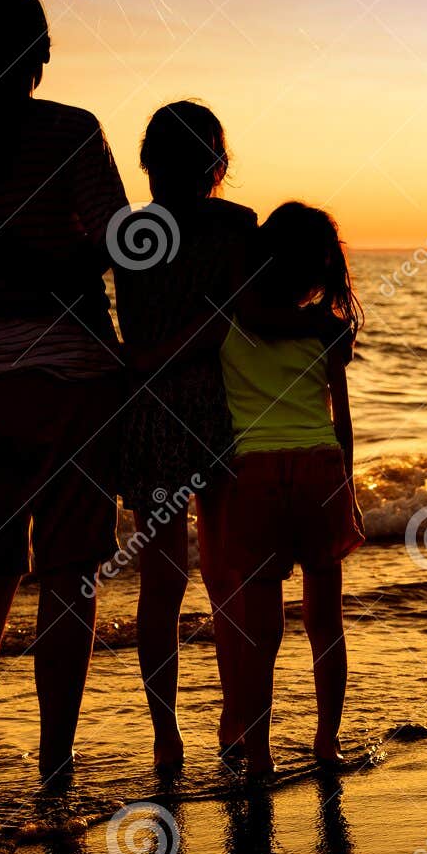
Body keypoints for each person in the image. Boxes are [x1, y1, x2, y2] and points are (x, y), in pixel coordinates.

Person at [0, 0, 129, 780]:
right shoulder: (72, 131)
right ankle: (55, 754)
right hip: (75, 377)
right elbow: (120, 238)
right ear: (43, 52)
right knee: (69, 574)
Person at [112, 102, 256, 767]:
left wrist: (149, 358)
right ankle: (236, 721)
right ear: (217, 165)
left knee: (161, 582)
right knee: (227, 573)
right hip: (215, 404)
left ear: (149, 162)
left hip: (149, 409)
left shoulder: (130, 232)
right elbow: (232, 318)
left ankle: (165, 735)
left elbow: (132, 332)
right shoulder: (237, 227)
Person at [213, 203, 365, 775]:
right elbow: (340, 420)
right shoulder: (325, 331)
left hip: (253, 473)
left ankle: (259, 753)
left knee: (261, 630)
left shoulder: (229, 320)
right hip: (319, 468)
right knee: (325, 622)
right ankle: (327, 741)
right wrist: (346, 485)